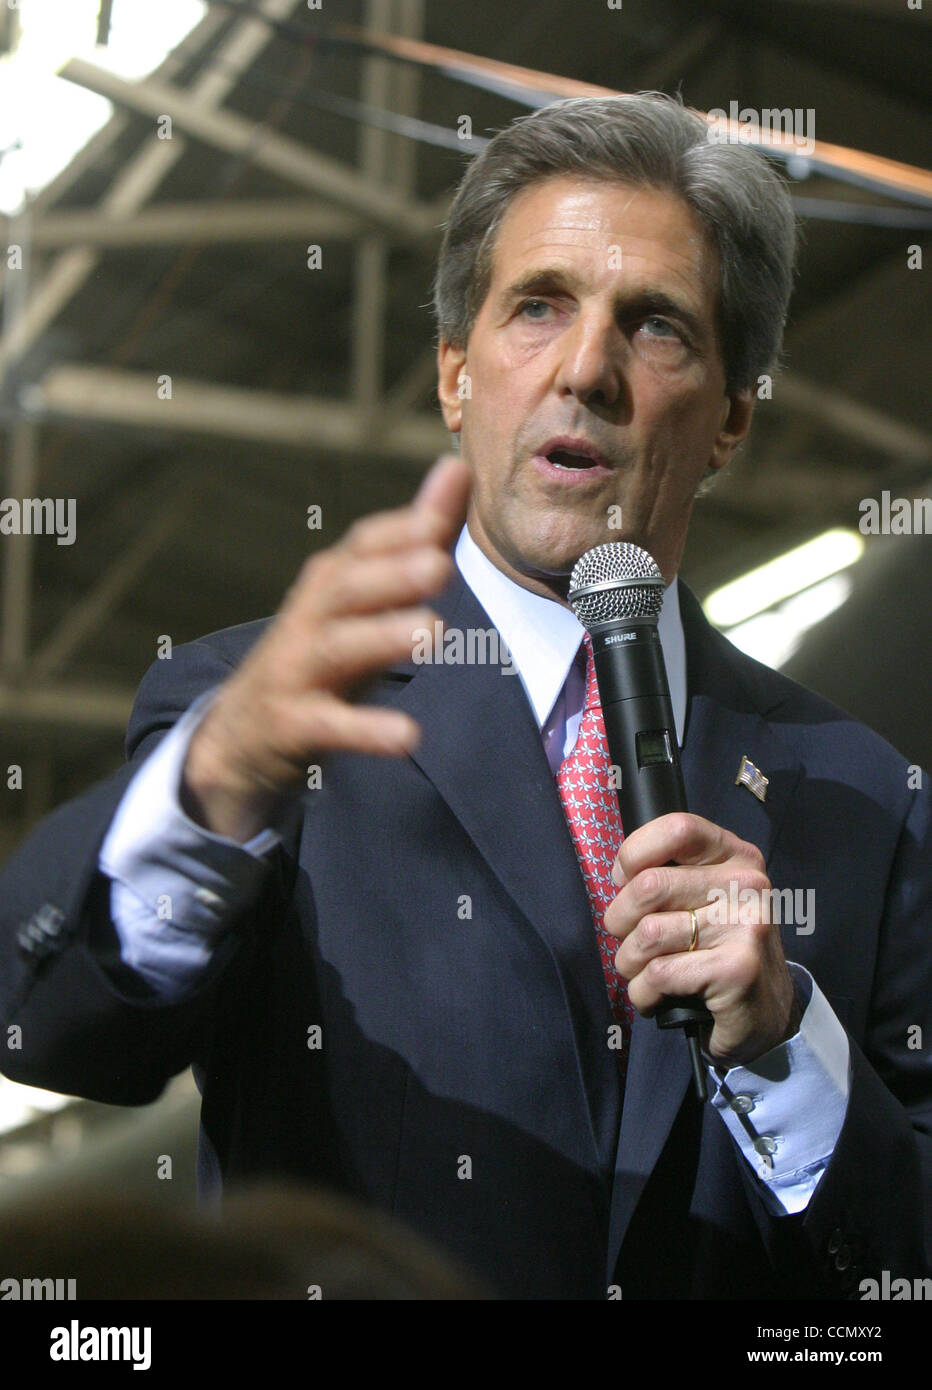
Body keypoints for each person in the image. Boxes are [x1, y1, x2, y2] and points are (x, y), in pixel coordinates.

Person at [1, 94, 929, 1300]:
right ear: (454, 374)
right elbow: (56, 1028)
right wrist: (209, 786)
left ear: (732, 418)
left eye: (654, 327)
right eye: (537, 306)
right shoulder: (266, 712)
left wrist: (782, 1051)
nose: (585, 368)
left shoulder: (864, 795)